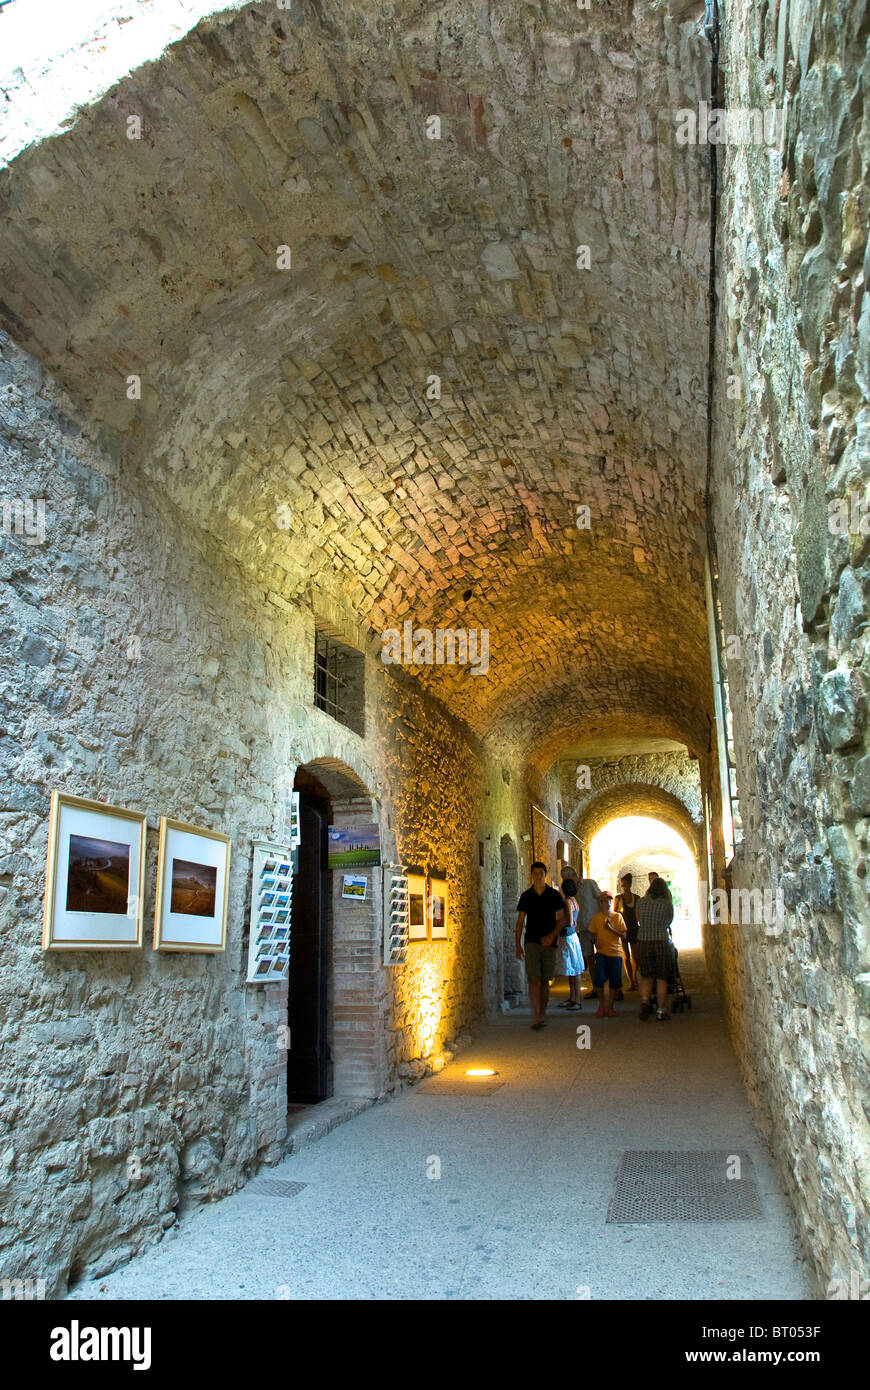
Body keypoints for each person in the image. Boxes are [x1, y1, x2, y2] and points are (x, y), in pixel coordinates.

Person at [516, 862, 566, 1030]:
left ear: (545, 874)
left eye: (540, 873)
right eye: (535, 873)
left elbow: (562, 919)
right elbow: (520, 921)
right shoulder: (526, 896)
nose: (538, 876)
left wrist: (551, 936)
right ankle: (536, 1014)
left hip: (549, 943)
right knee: (534, 979)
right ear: (531, 875)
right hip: (531, 942)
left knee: (545, 980)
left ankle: (542, 1012)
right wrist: (517, 944)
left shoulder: (553, 895)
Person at [636, 876, 675, 1021]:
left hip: (644, 941)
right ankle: (660, 1010)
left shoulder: (641, 902)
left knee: (646, 976)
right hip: (660, 941)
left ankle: (645, 1002)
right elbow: (669, 920)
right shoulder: (666, 904)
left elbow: (638, 920)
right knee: (661, 977)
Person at [588, 891, 627, 1017]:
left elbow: (624, 935)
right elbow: (592, 935)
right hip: (601, 953)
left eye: (610, 900)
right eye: (605, 900)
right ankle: (601, 1006)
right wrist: (595, 942)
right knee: (599, 979)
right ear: (600, 903)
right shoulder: (596, 918)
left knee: (614, 981)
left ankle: (610, 1006)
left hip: (615, 953)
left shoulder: (617, 917)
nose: (608, 902)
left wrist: (610, 928)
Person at [555, 877, 585, 1010]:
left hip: (568, 937)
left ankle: (577, 1000)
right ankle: (573, 998)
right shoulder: (575, 901)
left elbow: (570, 922)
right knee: (573, 969)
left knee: (575, 969)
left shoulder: (567, 902)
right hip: (573, 936)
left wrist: (557, 923)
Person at [574, 874, 603, 998]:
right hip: (584, 929)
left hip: (597, 926)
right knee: (590, 959)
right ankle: (596, 988)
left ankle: (614, 988)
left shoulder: (589, 884)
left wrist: (603, 918)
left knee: (604, 957)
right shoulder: (572, 890)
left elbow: (601, 898)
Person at [614, 873, 641, 990]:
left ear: (630, 885)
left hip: (634, 928)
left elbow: (639, 914)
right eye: (621, 885)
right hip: (623, 930)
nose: (623, 887)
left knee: (635, 956)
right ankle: (631, 981)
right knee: (626, 956)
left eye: (624, 885)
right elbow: (615, 914)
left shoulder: (637, 898)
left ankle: (635, 978)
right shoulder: (618, 898)